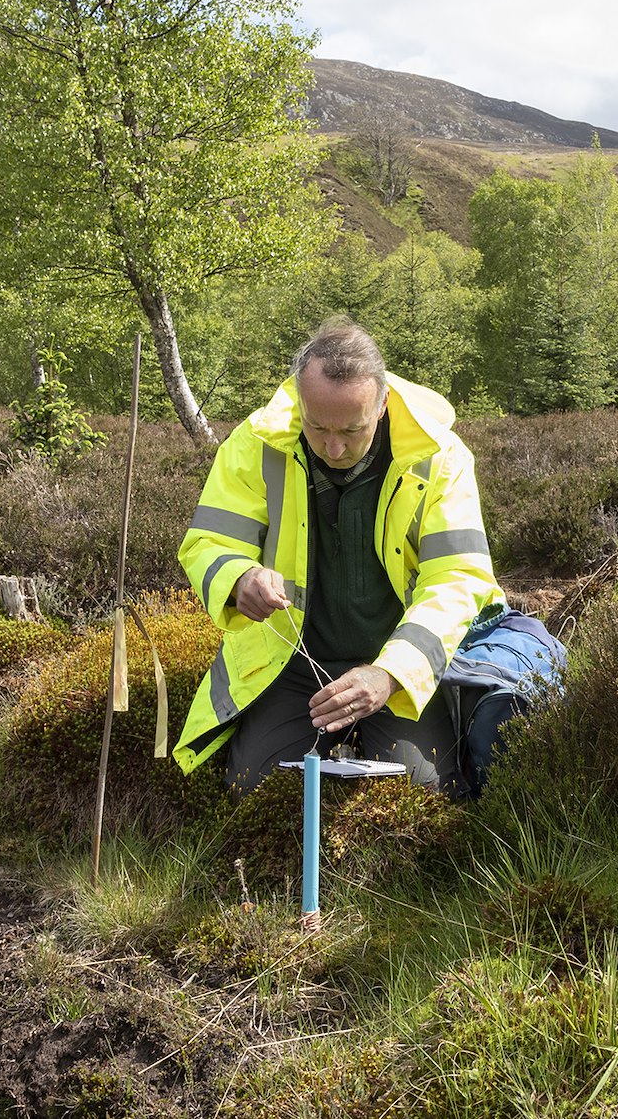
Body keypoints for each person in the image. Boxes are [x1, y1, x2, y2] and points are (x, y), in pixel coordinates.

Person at [172, 317, 502, 794]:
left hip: (396, 664)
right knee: (256, 790)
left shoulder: (442, 457)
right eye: (317, 426)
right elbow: (209, 542)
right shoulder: (255, 443)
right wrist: (238, 578)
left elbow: (459, 577)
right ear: (299, 401)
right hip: (290, 659)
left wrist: (391, 674)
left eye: (352, 429)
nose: (333, 446)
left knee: (422, 791)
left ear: (383, 403)